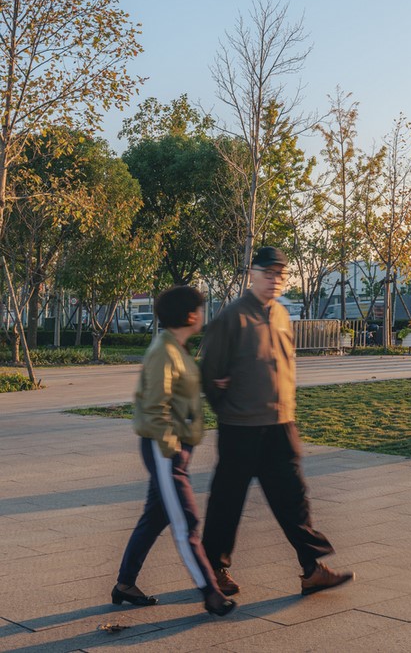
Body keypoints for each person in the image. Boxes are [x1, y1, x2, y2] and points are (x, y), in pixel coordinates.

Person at [200, 246, 353, 597]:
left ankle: (312, 569)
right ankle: (213, 569)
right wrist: (229, 407)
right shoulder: (232, 317)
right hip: (240, 427)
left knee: (293, 498)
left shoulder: (282, 315)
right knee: (227, 501)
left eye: (280, 274)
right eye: (267, 273)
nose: (274, 280)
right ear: (252, 275)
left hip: (281, 423)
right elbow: (209, 373)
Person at [113, 285, 235, 617]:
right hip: (166, 449)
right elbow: (155, 408)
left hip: (174, 448)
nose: (204, 314)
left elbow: (182, 388)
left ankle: (124, 584)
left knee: (155, 516)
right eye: (201, 309)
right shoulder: (163, 352)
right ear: (190, 315)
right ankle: (210, 593)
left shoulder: (177, 347)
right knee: (186, 521)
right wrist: (171, 453)